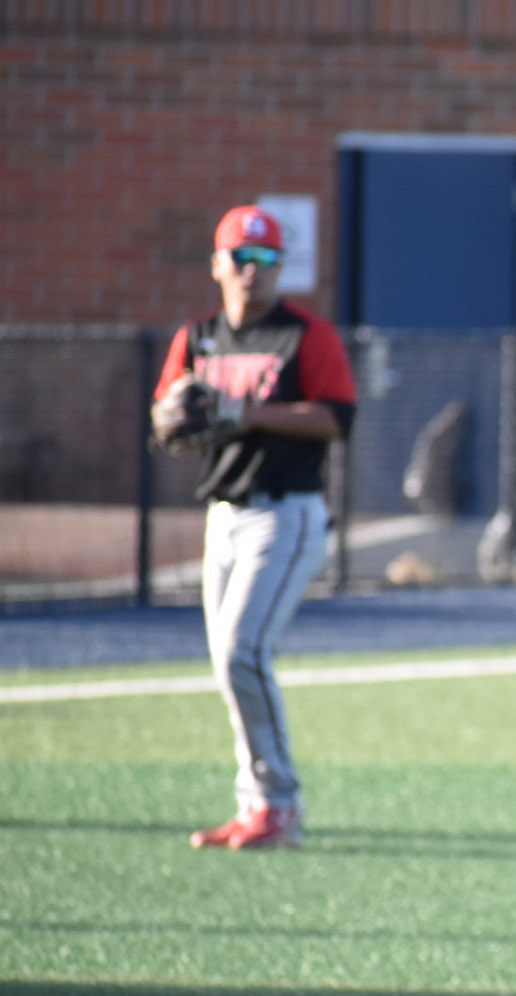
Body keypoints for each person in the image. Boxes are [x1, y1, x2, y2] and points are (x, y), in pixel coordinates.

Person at [152, 205, 358, 851]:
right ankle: (254, 804)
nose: (253, 271)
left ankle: (279, 804)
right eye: (241, 258)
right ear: (218, 265)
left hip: (286, 511)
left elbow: (336, 418)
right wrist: (173, 416)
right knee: (226, 661)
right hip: (225, 513)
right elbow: (163, 421)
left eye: (267, 260)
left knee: (244, 652)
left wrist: (250, 412)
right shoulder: (199, 336)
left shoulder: (304, 336)